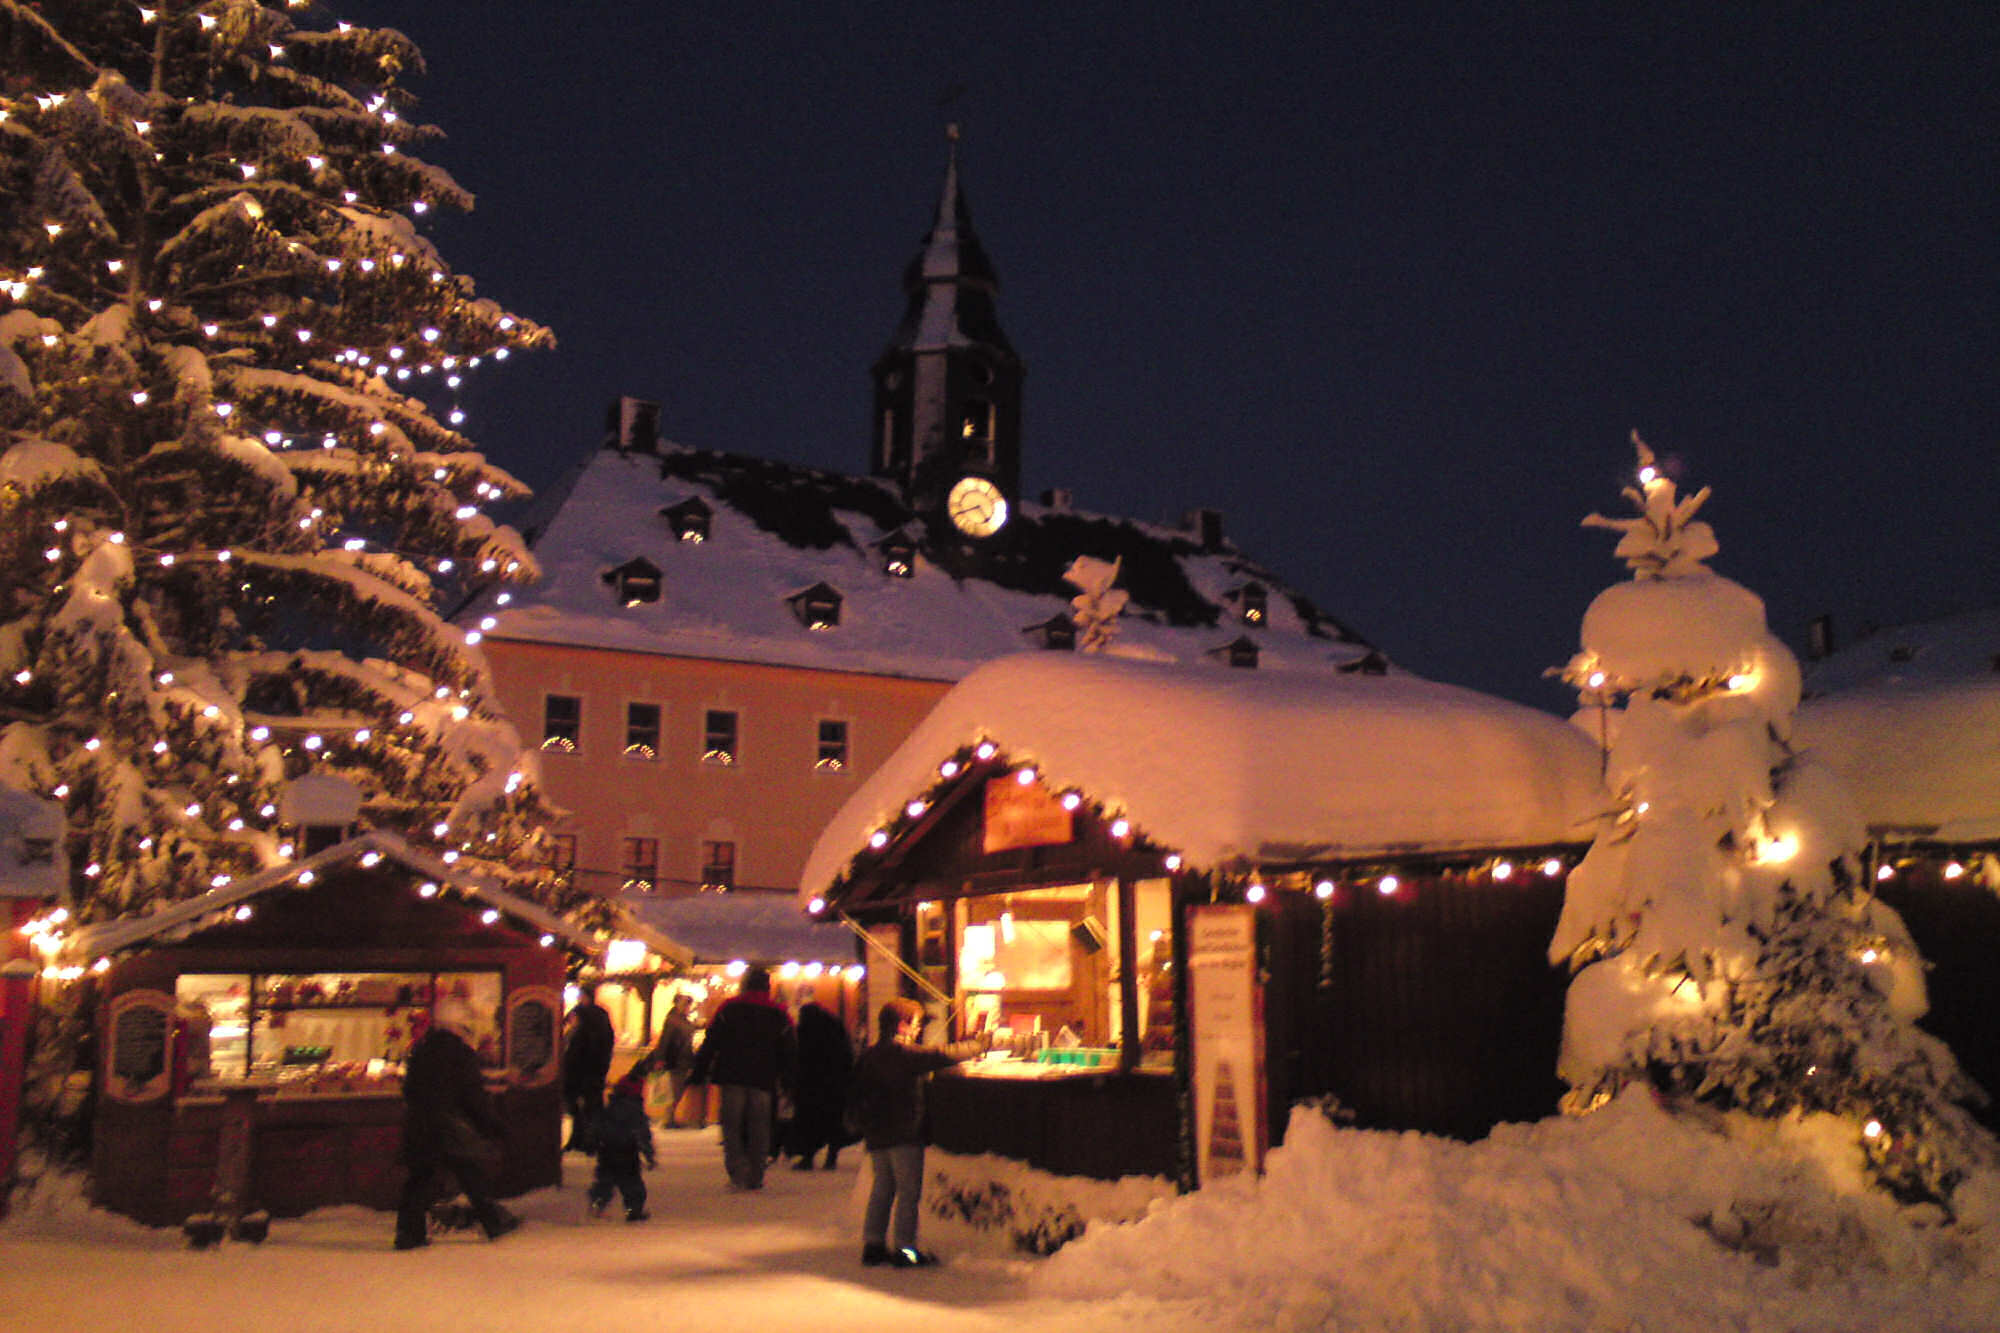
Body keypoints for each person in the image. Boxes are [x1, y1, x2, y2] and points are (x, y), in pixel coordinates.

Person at [848, 997, 988, 1268]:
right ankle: (905, 1250)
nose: (917, 1030)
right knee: (908, 1193)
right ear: (902, 1025)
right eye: (915, 1024)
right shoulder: (905, 1055)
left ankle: (873, 1245)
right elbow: (942, 1055)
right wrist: (979, 1045)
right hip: (903, 1133)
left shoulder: (871, 1055)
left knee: (882, 1189)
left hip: (876, 1134)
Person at [393, 998, 521, 1250]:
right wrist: (493, 1127)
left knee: (419, 1180)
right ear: (459, 1026)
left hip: (420, 1125)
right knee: (470, 1175)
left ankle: (409, 1234)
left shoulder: (421, 1050)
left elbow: (409, 1089)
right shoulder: (461, 1054)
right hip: (449, 1128)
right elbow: (472, 1097)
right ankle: (493, 1223)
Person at [686, 966, 795, 1191]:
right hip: (763, 1079)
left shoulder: (729, 1009)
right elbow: (789, 1050)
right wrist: (788, 1079)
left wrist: (699, 1071)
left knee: (732, 1126)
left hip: (732, 1075)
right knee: (760, 1127)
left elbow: (711, 1041)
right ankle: (756, 1173)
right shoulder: (779, 1013)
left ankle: (737, 1172)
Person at [788, 986, 854, 1170]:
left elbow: (799, 1057)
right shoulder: (835, 1028)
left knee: (809, 1122)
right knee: (833, 1122)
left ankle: (808, 1157)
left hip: (810, 1085)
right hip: (835, 1084)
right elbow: (847, 1055)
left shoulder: (805, 1031)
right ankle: (831, 1157)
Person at [588, 1069, 656, 1222]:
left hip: (607, 1150)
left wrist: (592, 1143)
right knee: (632, 1184)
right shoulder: (636, 1112)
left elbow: (596, 1126)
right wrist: (649, 1154)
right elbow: (643, 1134)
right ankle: (633, 1210)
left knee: (605, 1180)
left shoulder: (609, 1108)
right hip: (628, 1152)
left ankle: (598, 1203)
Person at [562, 981, 615, 1153]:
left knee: (579, 1106)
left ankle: (583, 1140)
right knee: (592, 1106)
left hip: (580, 1071)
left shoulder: (583, 1021)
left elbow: (575, 1049)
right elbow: (607, 1043)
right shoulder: (601, 1016)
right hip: (595, 1070)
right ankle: (591, 1141)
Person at [648, 993, 698, 1126]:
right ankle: (668, 1118)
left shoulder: (682, 1020)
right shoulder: (673, 1020)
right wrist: (660, 1059)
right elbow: (665, 1040)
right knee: (674, 1090)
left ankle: (669, 1117)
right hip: (676, 1060)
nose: (688, 1007)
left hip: (682, 1060)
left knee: (676, 1090)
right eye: (686, 1004)